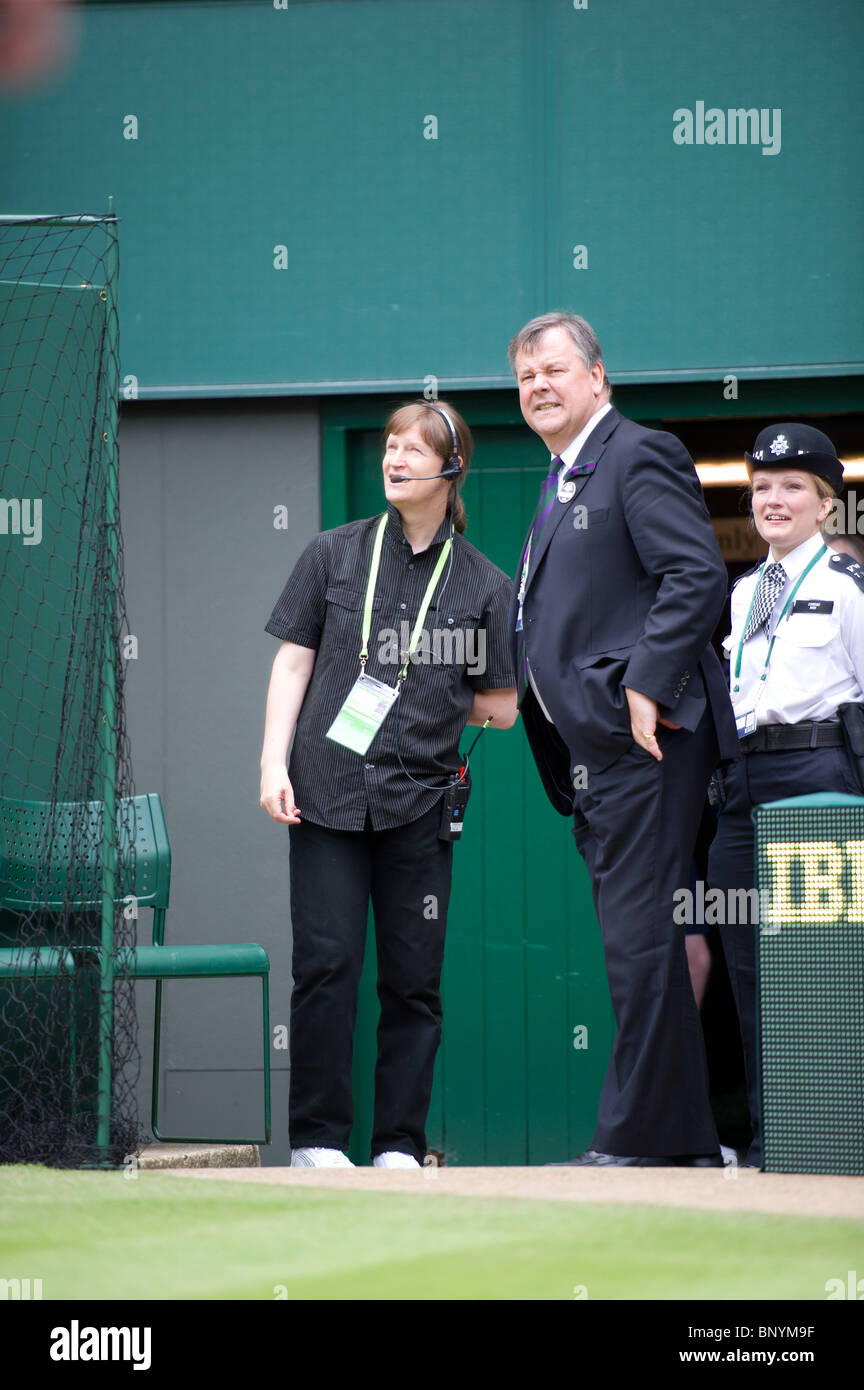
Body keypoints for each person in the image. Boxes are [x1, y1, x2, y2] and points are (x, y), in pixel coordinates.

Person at [260, 400, 517, 1169]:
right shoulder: (330, 554)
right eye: (391, 447)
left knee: (412, 981)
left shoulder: (485, 584)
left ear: (452, 470)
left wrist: (431, 693)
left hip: (420, 805)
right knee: (327, 966)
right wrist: (272, 763)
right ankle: (315, 1142)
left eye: (415, 449)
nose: (396, 459)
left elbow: (500, 708)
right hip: (326, 793)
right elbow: (294, 662)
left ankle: (399, 1146)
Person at [509, 310, 739, 1166]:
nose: (539, 387)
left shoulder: (636, 452)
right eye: (526, 377)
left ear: (598, 378)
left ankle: (642, 1137)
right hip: (597, 757)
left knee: (642, 937)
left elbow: (695, 571)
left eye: (555, 371)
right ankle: (678, 1138)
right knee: (639, 940)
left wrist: (642, 683)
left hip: (647, 738)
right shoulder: (560, 479)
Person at [707, 423, 864, 1167]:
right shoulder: (744, 596)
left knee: (822, 964)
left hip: (817, 779)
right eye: (763, 487)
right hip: (744, 784)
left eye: (793, 487)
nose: (774, 499)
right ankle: (778, 1141)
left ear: (824, 505)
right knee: (748, 966)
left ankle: (831, 1138)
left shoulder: (845, 589)